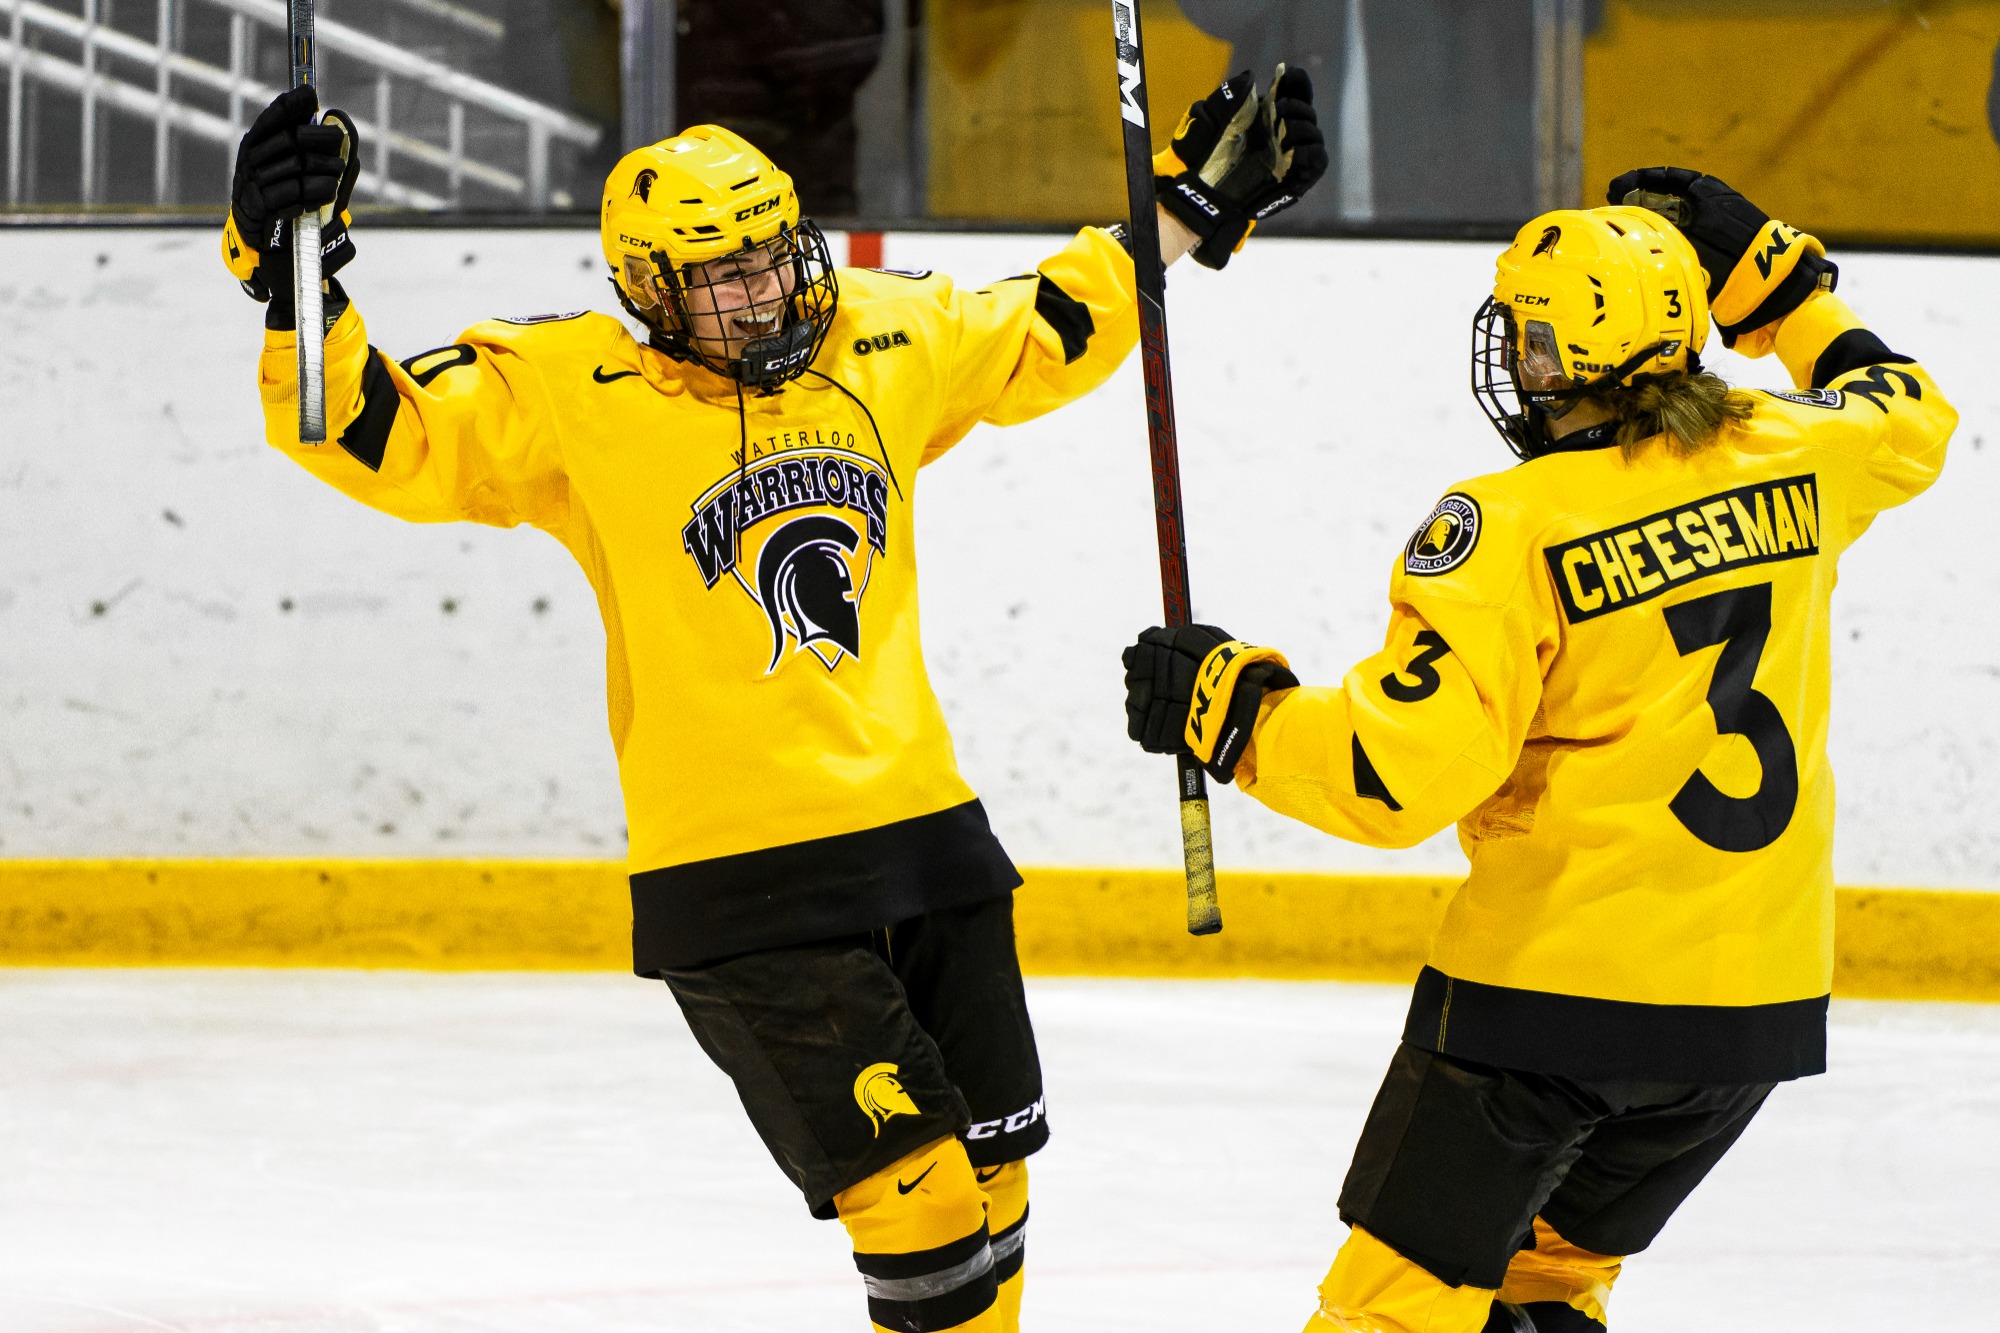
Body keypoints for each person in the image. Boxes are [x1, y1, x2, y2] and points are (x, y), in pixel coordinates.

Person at [221, 69, 1323, 1333]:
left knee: (992, 1179)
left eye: (770, 256)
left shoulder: (879, 332)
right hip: (743, 875)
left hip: (924, 832)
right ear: (647, 290)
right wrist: (287, 267)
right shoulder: (565, 390)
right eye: (720, 277)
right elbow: (363, 429)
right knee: (913, 1207)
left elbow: (1044, 328)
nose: (762, 292)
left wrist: (1183, 210)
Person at [1119, 168, 1955, 1332]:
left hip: (1545, 1003)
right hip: (1748, 1012)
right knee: (1546, 1291)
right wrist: (1783, 292)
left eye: (1522, 332)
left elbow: (1394, 774)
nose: (1511, 352)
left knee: (1392, 1310)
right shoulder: (1793, 452)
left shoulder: (1504, 525)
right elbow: (1909, 412)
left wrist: (1235, 712)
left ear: (1557, 358)